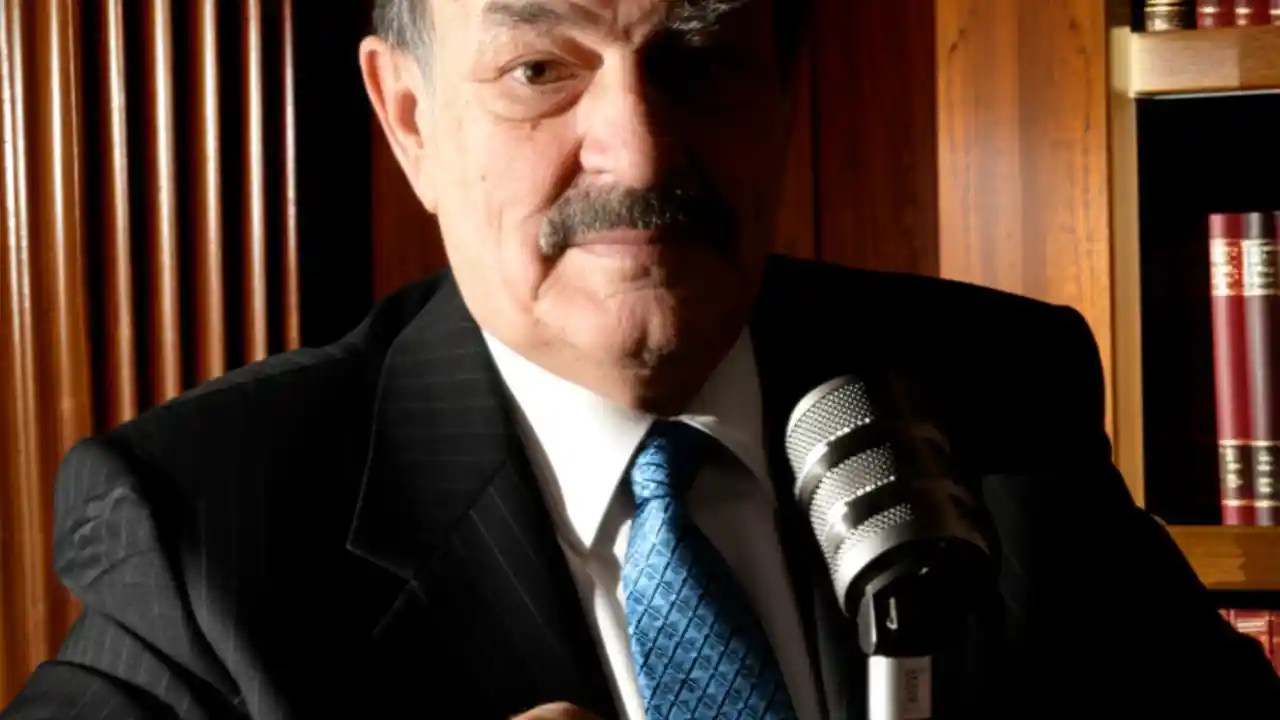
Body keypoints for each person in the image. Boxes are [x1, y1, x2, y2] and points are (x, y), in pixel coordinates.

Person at [4, 0, 1279, 718]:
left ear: (785, 85)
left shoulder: (995, 384)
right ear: (407, 121)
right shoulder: (210, 517)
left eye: (704, 56)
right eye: (538, 70)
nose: (641, 153)